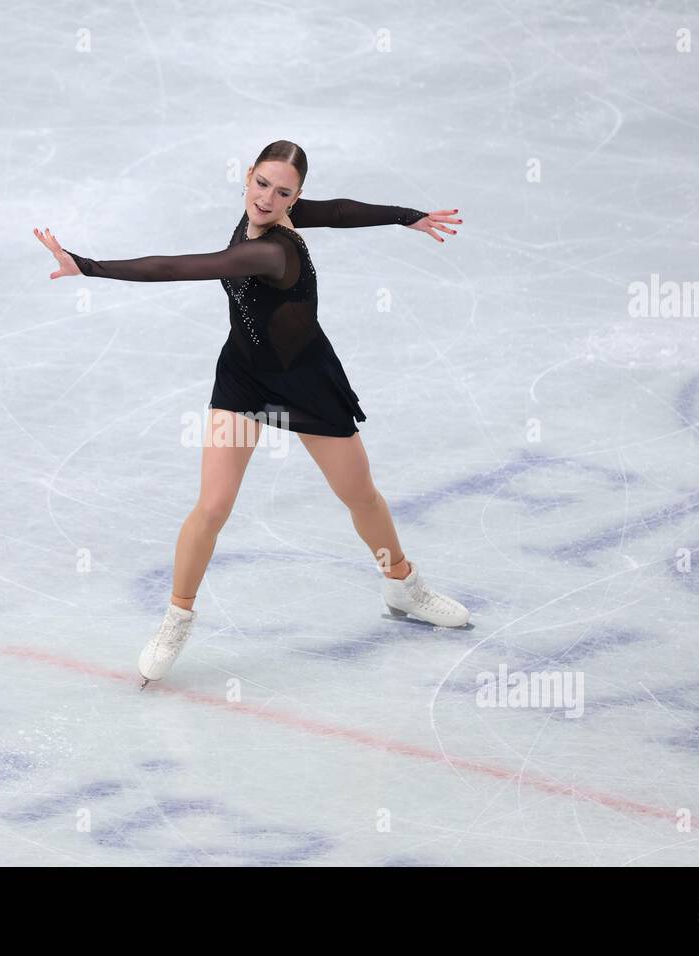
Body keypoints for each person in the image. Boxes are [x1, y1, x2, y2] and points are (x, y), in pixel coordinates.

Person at [34, 140, 470, 688]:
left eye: (283, 192)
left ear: (295, 197)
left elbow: (181, 266)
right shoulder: (264, 213)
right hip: (244, 377)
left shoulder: (273, 250)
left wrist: (90, 267)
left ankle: (402, 583)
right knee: (212, 506)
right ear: (248, 177)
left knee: (360, 495)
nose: (267, 199)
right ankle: (177, 617)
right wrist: (406, 216)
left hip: (306, 384)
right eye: (261, 184)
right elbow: (339, 211)